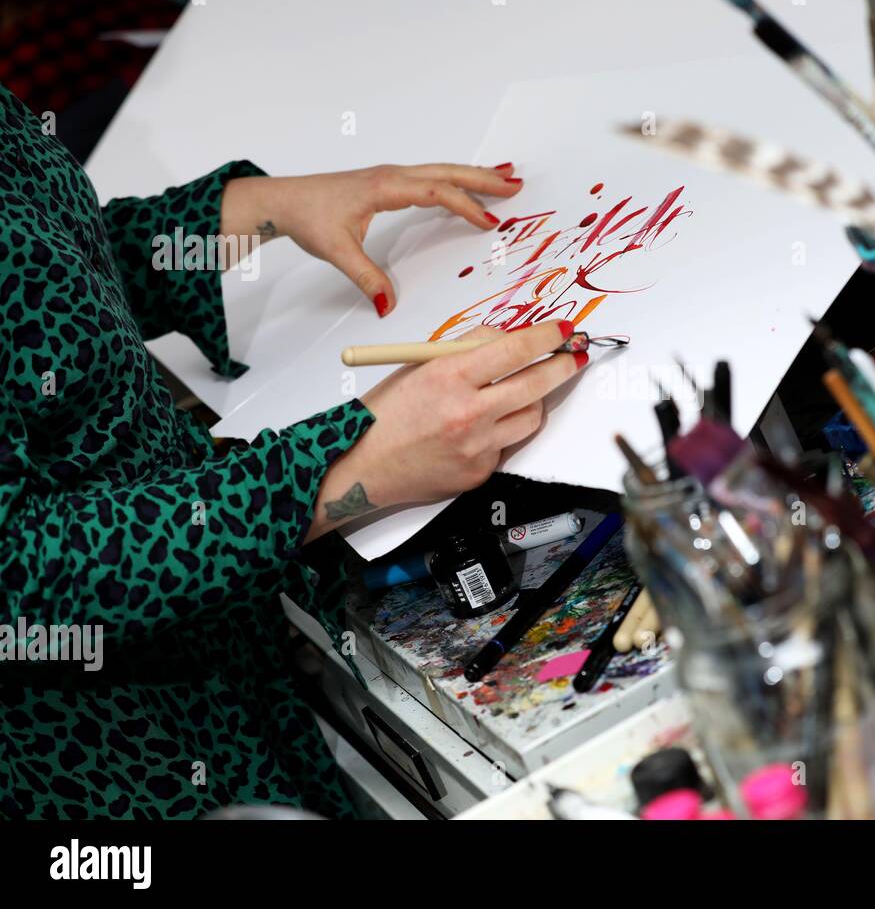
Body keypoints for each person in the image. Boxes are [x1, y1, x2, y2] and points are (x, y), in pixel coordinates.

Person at [0, 81, 584, 818]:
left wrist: (248, 214)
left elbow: (45, 281)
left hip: (215, 635)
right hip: (100, 755)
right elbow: (15, 575)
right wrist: (343, 472)